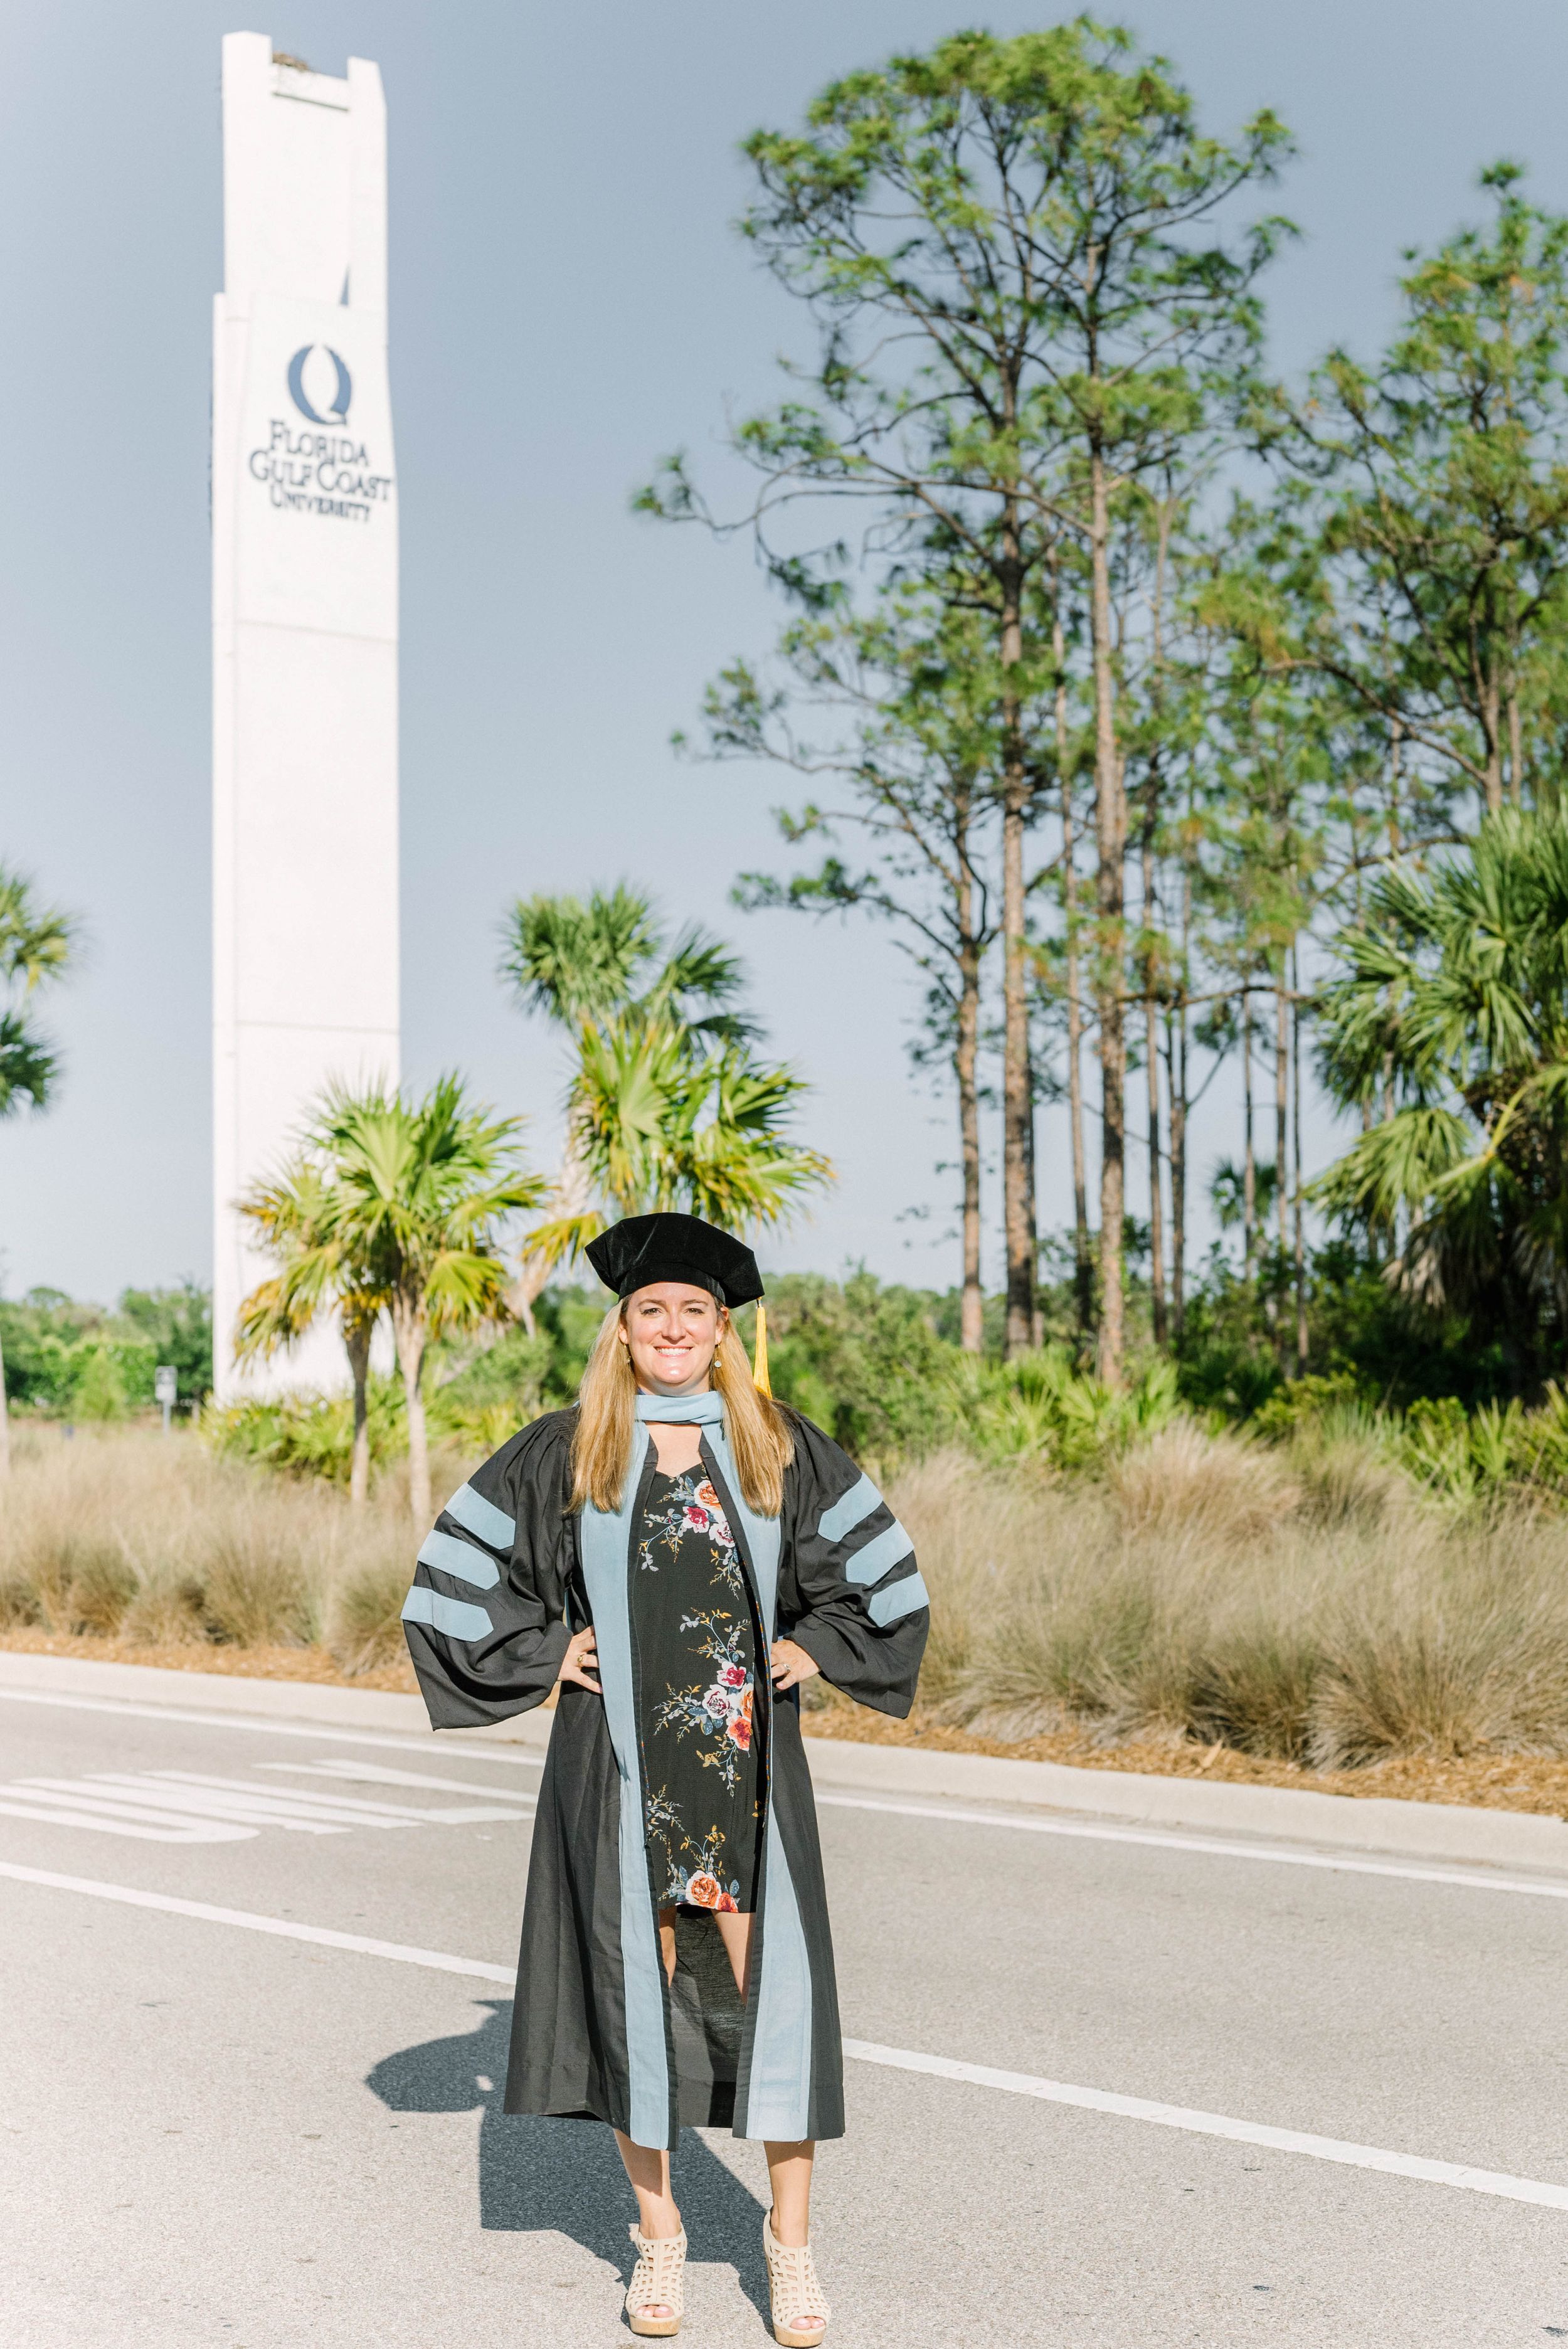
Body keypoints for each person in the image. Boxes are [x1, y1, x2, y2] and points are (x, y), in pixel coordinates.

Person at [401, 1211, 929, 2344]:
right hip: (618, 1761)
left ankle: (790, 2250)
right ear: (624, 1329)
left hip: (744, 1768)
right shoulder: (574, 1447)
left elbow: (876, 1574)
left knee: (773, 1994)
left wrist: (815, 1647)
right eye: (653, 1312)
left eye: (695, 1311)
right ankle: (660, 2243)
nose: (674, 1328)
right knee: (627, 1990)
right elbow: (453, 1573)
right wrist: (550, 1655)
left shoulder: (776, 1444)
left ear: (723, 1330)